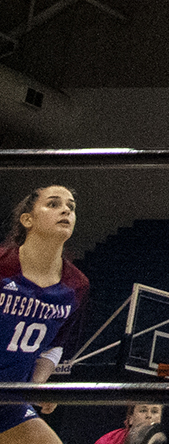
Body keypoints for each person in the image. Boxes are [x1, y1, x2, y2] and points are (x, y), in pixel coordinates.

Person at [0, 186, 88, 444]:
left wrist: (38, 386)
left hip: (9, 400)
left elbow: (55, 345)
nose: (65, 210)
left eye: (71, 207)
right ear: (27, 219)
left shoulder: (77, 285)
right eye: (53, 204)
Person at [91, 405, 164, 444]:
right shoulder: (108, 441)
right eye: (143, 410)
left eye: (154, 411)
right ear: (130, 419)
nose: (149, 415)